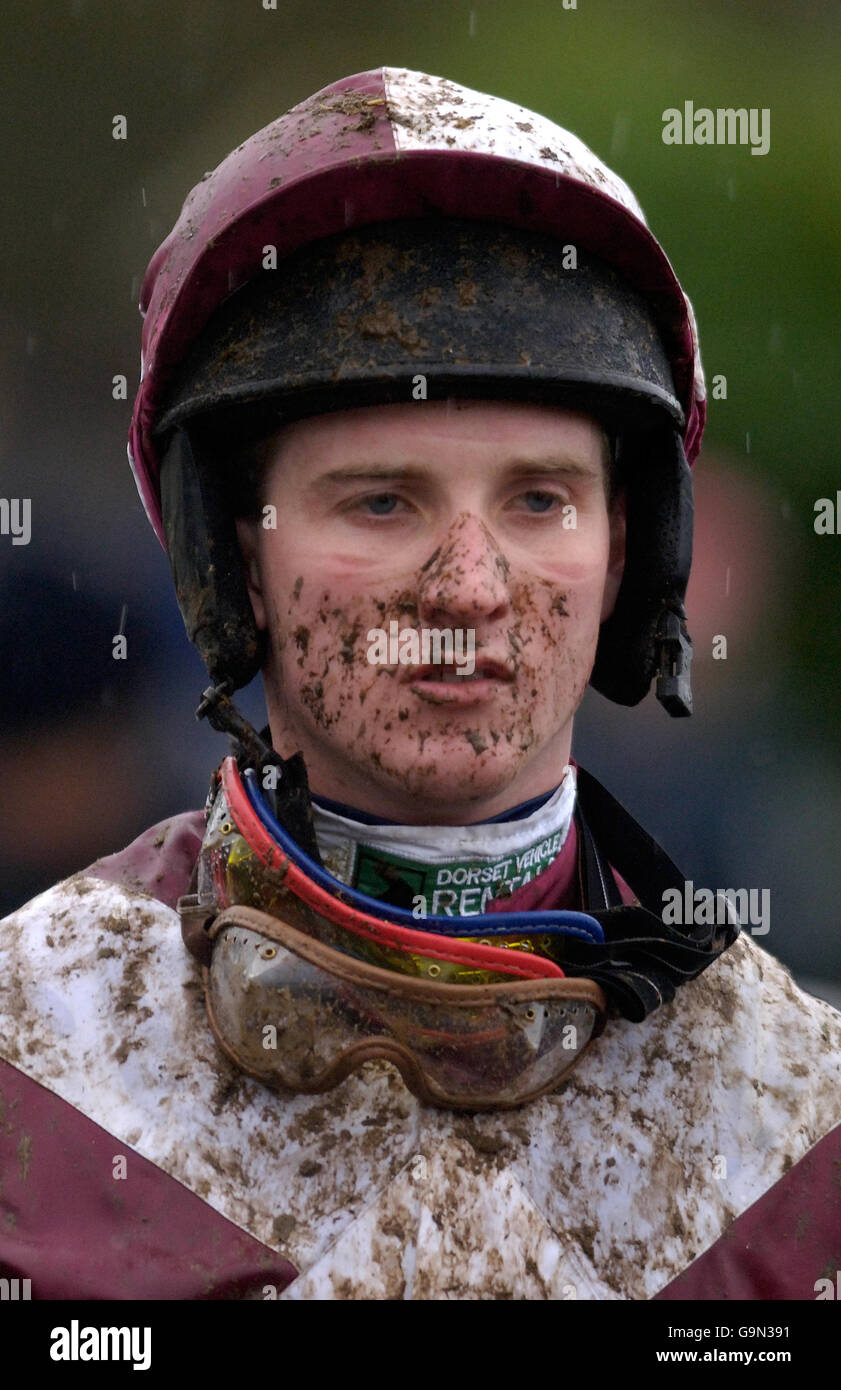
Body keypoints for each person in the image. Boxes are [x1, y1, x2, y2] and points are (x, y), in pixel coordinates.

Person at [1, 68, 839, 1303]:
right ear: (236, 553)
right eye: (382, 501)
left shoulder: (796, 1126)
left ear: (630, 554)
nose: (467, 588)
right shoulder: (35, 1055)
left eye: (540, 500)